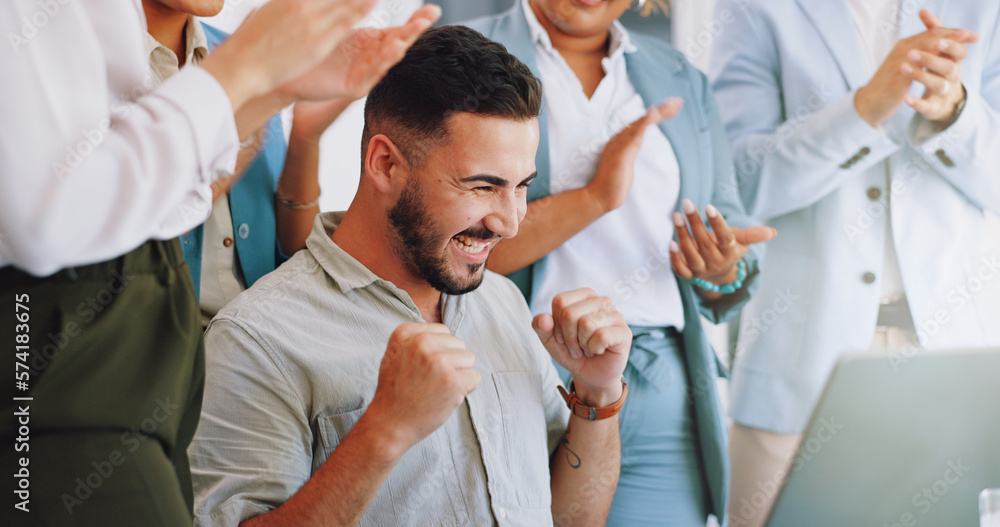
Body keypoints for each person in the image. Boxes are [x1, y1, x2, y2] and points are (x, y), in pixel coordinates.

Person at [0, 1, 440, 525]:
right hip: (82, 369)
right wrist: (249, 69)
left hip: (173, 369)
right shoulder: (45, 30)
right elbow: (56, 221)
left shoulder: (241, 55)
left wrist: (279, 96)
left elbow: (163, 206)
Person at [188, 25, 632, 527]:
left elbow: (575, 521)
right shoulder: (259, 338)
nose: (510, 222)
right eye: (483, 186)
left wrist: (596, 396)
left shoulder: (503, 303)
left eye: (520, 186)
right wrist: (384, 430)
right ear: (384, 164)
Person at [464, 0, 774, 525]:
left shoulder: (680, 77)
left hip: (658, 377)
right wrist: (595, 197)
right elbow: (444, 246)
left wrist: (723, 266)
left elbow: (731, 244)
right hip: (515, 362)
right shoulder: (461, 56)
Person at [709, 2, 1000, 526]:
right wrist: (863, 110)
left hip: (952, 362)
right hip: (798, 369)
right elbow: (739, 184)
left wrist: (957, 111)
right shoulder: (754, 7)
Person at [143, 0, 354, 325]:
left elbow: (295, 254)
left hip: (265, 337)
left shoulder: (244, 52)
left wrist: (305, 138)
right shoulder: (74, 70)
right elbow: (132, 238)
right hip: (165, 353)